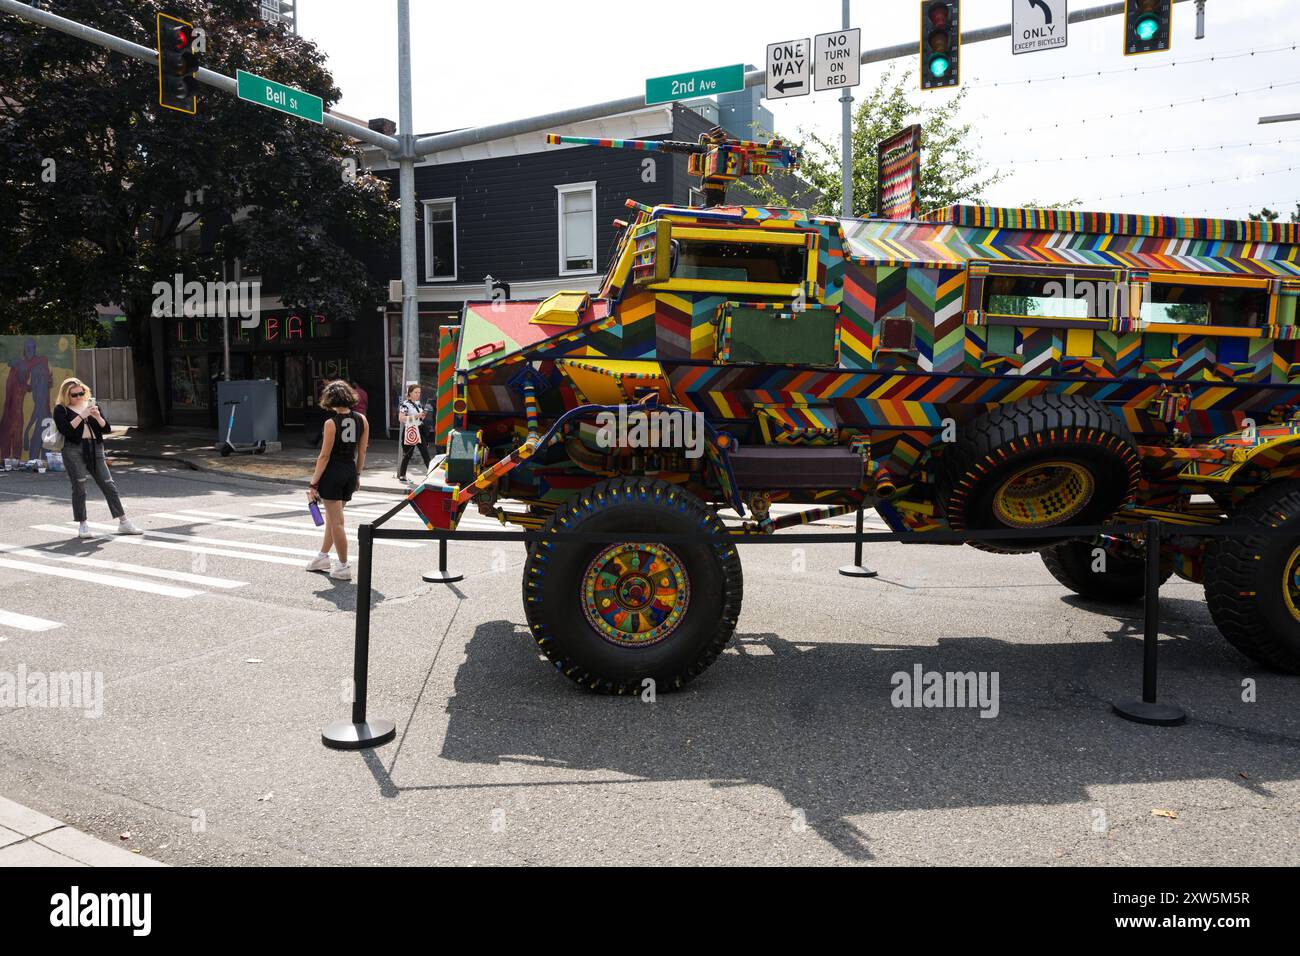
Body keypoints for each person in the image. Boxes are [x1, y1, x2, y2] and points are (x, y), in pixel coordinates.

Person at [52, 377, 143, 538]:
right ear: (67, 395)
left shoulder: (91, 405)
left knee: (108, 484)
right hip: (74, 449)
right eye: (74, 395)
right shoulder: (61, 409)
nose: (79, 397)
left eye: (81, 393)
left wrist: (97, 416)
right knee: (79, 486)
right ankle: (83, 524)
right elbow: (66, 430)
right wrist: (82, 416)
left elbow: (106, 428)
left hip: (96, 447)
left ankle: (124, 522)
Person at [306, 379, 368, 581]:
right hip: (350, 471)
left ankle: (343, 566)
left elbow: (324, 456)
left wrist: (313, 483)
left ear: (330, 399)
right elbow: (362, 450)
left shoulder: (331, 423)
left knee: (337, 522)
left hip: (332, 473)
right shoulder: (362, 419)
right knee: (333, 520)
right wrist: (358, 475)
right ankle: (323, 557)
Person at [396, 382, 431, 485]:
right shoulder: (405, 404)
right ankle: (402, 475)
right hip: (410, 430)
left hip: (419, 429)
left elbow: (419, 417)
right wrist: (417, 416)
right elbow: (401, 418)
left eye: (419, 392)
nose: (418, 394)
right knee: (407, 454)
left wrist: (422, 415)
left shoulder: (419, 403)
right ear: (410, 393)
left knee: (425, 453)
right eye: (415, 392)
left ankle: (430, 474)